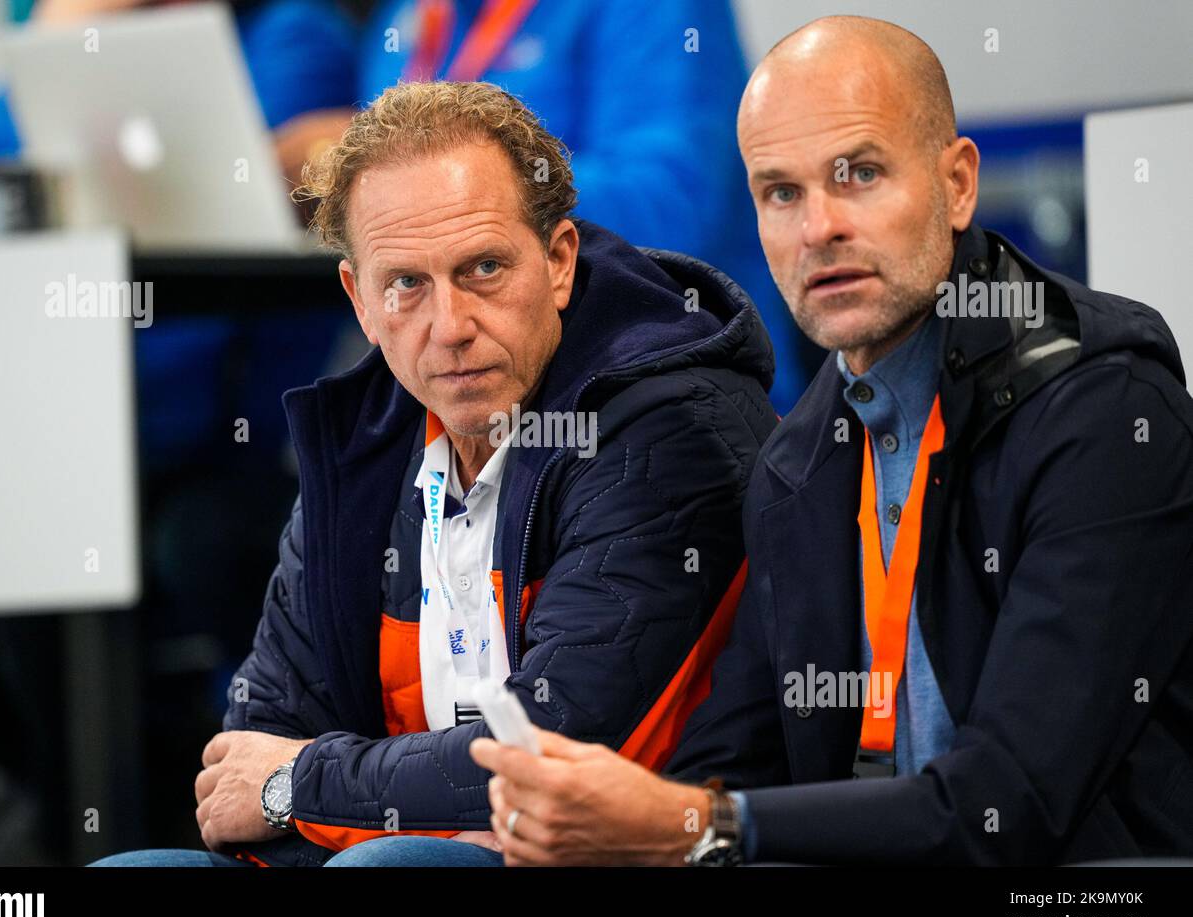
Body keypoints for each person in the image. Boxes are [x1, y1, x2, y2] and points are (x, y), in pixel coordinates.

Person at [460, 15, 1193, 866]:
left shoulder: (1101, 408)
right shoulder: (796, 461)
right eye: (782, 193)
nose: (819, 229)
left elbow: (1010, 805)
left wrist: (696, 825)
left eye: (861, 176)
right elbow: (729, 763)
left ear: (958, 184)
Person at [92, 79, 779, 867]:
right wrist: (337, 801)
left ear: (559, 262)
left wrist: (303, 790)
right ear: (360, 302)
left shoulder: (667, 430)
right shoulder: (361, 446)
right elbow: (244, 768)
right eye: (407, 284)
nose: (449, 328)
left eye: (483, 268)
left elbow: (551, 757)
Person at [282, 0, 815, 413]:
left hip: (655, 407)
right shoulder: (408, 18)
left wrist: (445, 186)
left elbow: (673, 203)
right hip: (459, 424)